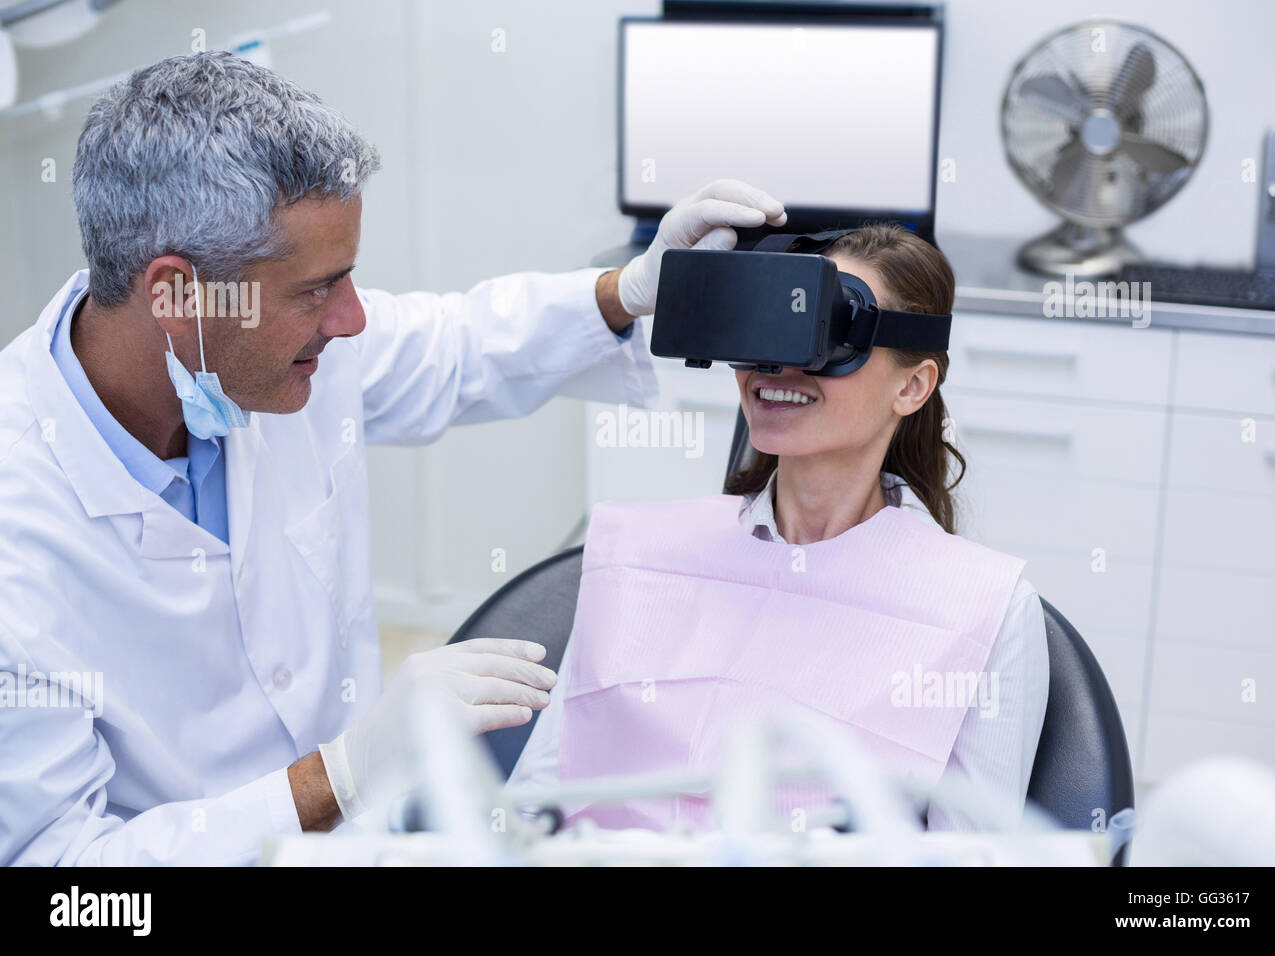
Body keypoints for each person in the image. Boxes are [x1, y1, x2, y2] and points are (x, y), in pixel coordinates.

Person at [0, 50, 788, 865]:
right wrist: (335, 776)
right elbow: (60, 875)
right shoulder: (19, 531)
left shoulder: (253, 355)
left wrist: (629, 288)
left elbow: (460, 346)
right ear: (177, 291)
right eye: (317, 289)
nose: (351, 320)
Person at [508, 223, 1050, 831]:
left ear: (913, 384)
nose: (780, 367)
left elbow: (972, 857)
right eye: (773, 324)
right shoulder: (640, 559)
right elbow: (532, 808)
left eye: (831, 332)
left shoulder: (984, 610)